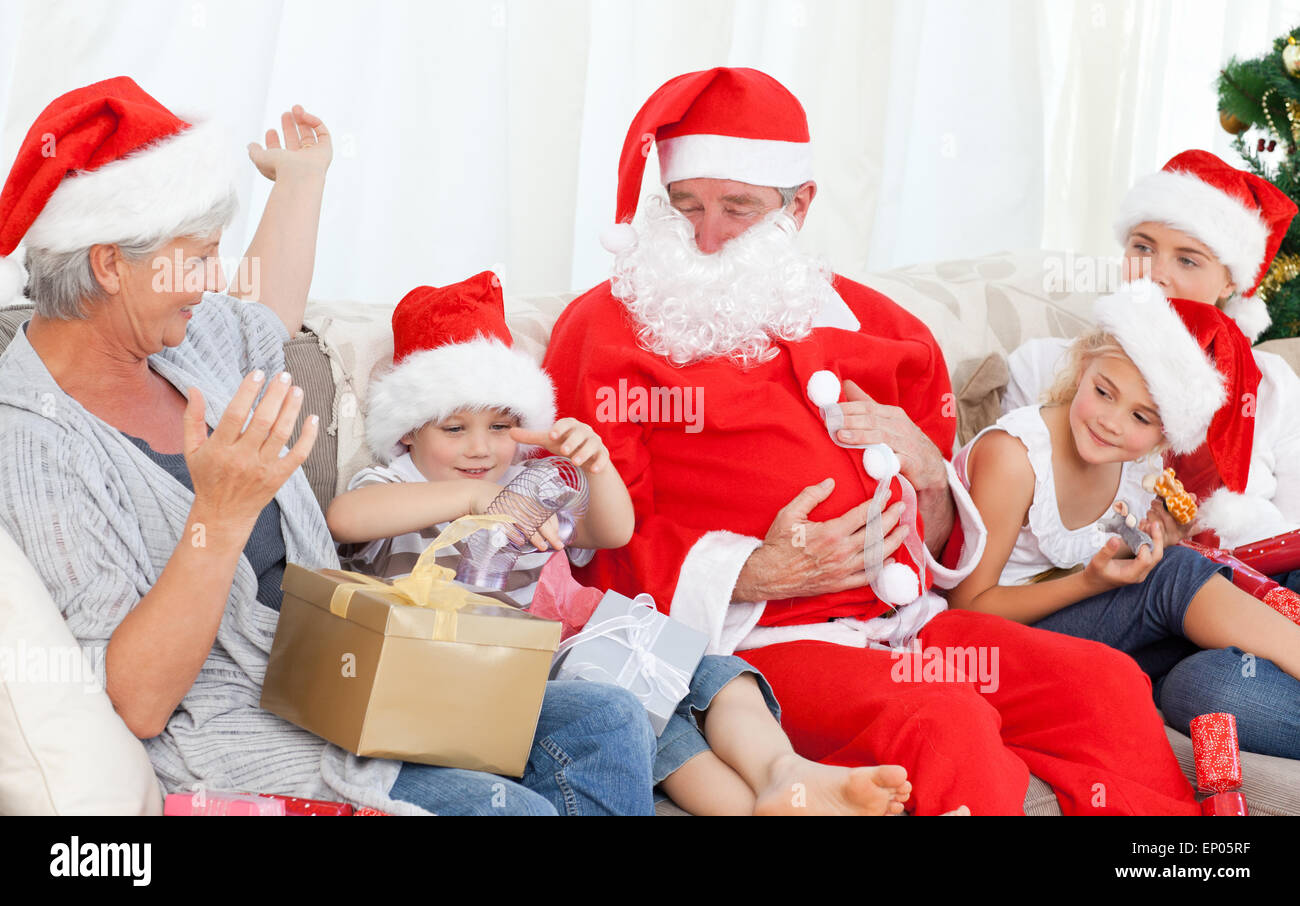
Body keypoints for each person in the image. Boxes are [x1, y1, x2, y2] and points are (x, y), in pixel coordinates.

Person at [542, 66, 1200, 814]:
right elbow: (576, 547)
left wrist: (928, 476)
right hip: (756, 650)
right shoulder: (603, 333)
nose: (707, 235)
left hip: (909, 628)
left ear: (799, 205)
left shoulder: (886, 328)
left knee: (1104, 684)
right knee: (945, 720)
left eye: (738, 208)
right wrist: (751, 570)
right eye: (687, 205)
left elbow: (950, 542)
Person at [0, 77, 656, 816]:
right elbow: (140, 703)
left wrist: (303, 182)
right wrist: (219, 512)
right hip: (240, 728)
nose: (212, 283)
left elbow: (264, 311)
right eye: (198, 261)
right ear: (109, 263)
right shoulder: (33, 439)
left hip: (344, 678)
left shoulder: (179, 342)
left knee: (608, 720)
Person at [326, 271, 915, 815]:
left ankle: (784, 775)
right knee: (658, 730)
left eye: (500, 427)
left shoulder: (529, 482)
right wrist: (468, 502)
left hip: (591, 642)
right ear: (409, 430)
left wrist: (597, 464)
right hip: (507, 670)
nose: (479, 449)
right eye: (454, 429)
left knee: (719, 676)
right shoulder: (397, 484)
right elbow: (345, 518)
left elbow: (612, 533)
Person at [1003, 150, 1300, 758]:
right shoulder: (1058, 369)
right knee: (1209, 691)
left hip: (1263, 602)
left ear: (1230, 282)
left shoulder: (1271, 387)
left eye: (1187, 259)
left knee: (1225, 669)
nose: (1153, 274)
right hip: (1153, 624)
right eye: (1142, 246)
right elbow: (1014, 548)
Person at [949, 280, 1300, 702]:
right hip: (992, 649)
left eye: (1140, 417)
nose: (1112, 422)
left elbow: (1088, 555)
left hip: (1080, 628)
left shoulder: (1136, 466)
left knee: (1225, 606)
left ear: (1162, 438)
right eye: (1103, 392)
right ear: (1083, 368)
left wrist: (1151, 543)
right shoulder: (1013, 458)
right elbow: (967, 609)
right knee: (1175, 573)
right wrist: (1091, 585)